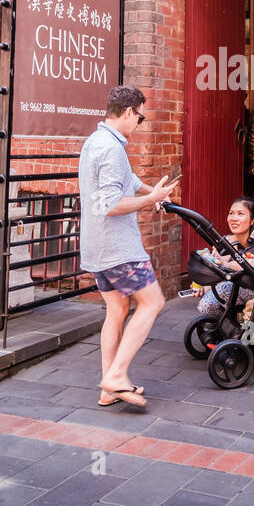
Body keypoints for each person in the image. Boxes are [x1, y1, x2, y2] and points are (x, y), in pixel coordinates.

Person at [78, 85, 176, 408]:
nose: (139, 124)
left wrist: (153, 192)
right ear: (129, 112)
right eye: (140, 117)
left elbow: (128, 181)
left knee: (117, 310)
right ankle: (117, 375)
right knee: (153, 303)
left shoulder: (97, 142)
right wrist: (151, 200)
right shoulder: (110, 148)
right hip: (119, 250)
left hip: (98, 248)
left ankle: (108, 388)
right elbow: (112, 203)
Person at [195, 196, 254, 320]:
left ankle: (234, 326)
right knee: (207, 304)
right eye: (231, 213)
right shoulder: (223, 242)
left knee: (216, 296)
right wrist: (203, 287)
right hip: (231, 288)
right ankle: (230, 325)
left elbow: (251, 265)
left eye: (240, 214)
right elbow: (217, 275)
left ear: (252, 220)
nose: (234, 218)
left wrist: (225, 264)